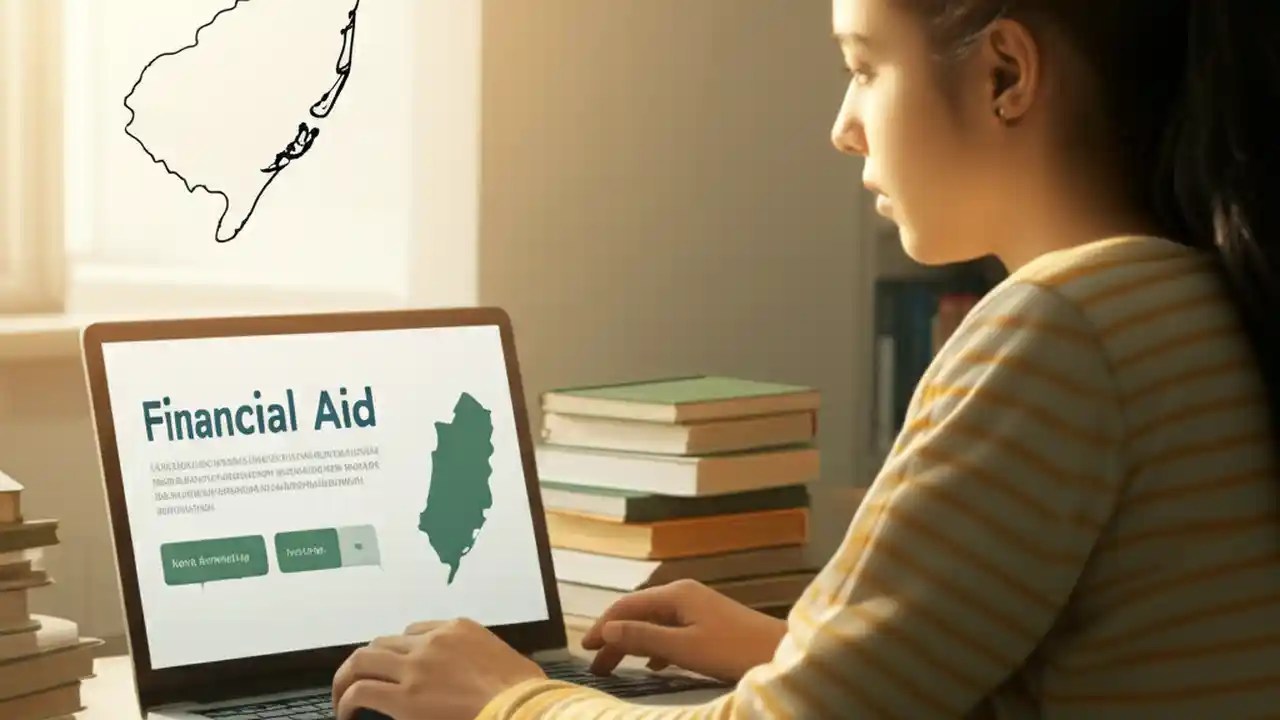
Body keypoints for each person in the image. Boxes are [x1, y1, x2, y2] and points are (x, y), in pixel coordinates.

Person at [330, 0, 1280, 717]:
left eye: (864, 67)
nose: (844, 125)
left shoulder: (1059, 328)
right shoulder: (1186, 300)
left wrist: (503, 698)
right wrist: (795, 650)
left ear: (1004, 74)